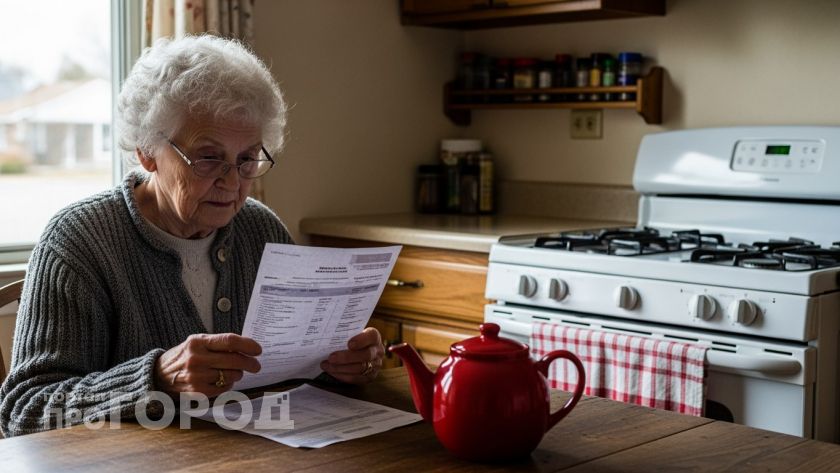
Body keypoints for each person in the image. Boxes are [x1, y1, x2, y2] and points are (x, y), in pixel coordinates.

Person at [0, 35, 384, 438]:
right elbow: (24, 410)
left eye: (247, 159)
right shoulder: (79, 241)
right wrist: (157, 377)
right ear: (148, 151)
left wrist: (343, 364)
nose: (232, 181)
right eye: (208, 157)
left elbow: (295, 380)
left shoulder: (262, 230)